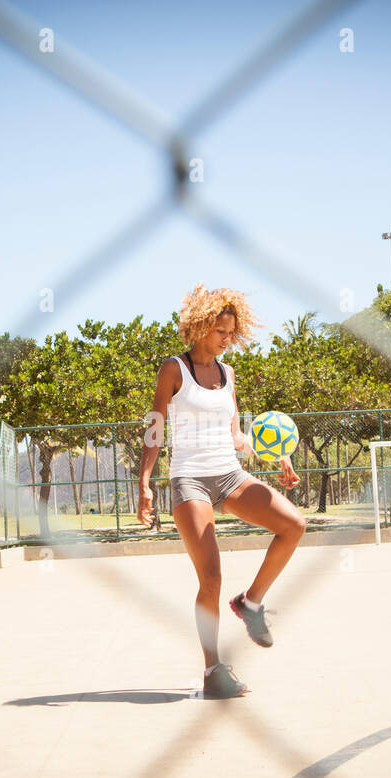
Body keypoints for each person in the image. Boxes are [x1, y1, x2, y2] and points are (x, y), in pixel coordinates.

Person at [137, 284, 305, 699]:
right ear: (199, 327)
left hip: (229, 475)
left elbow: (234, 434)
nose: (227, 339)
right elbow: (156, 428)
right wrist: (145, 482)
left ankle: (250, 603)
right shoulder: (173, 369)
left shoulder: (228, 374)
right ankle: (213, 670)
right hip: (190, 477)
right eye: (220, 332)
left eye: (231, 332)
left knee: (294, 525)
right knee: (210, 576)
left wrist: (276, 453)